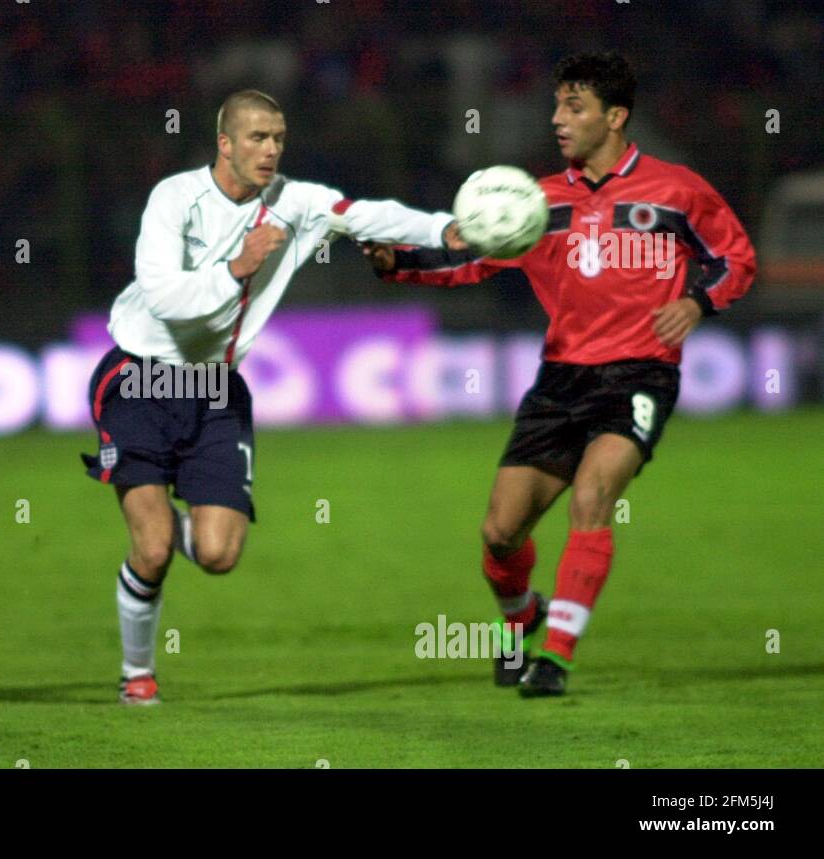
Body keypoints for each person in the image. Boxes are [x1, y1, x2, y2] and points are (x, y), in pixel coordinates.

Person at [363, 52, 756, 696]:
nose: (557, 120)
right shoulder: (536, 201)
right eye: (556, 106)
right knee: (499, 533)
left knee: (593, 499)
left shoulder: (677, 190)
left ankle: (557, 659)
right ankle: (520, 617)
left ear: (616, 116)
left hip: (638, 375)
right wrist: (396, 262)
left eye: (573, 107)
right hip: (560, 381)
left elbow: (734, 257)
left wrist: (696, 301)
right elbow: (472, 261)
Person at [83, 90, 467, 704]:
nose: (270, 150)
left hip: (213, 387)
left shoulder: (297, 202)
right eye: (258, 138)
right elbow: (162, 298)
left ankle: (163, 519)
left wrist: (444, 229)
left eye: (279, 138)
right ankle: (137, 676)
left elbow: (371, 215)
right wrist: (235, 268)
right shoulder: (174, 199)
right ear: (225, 144)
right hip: (137, 379)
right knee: (152, 550)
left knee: (217, 554)